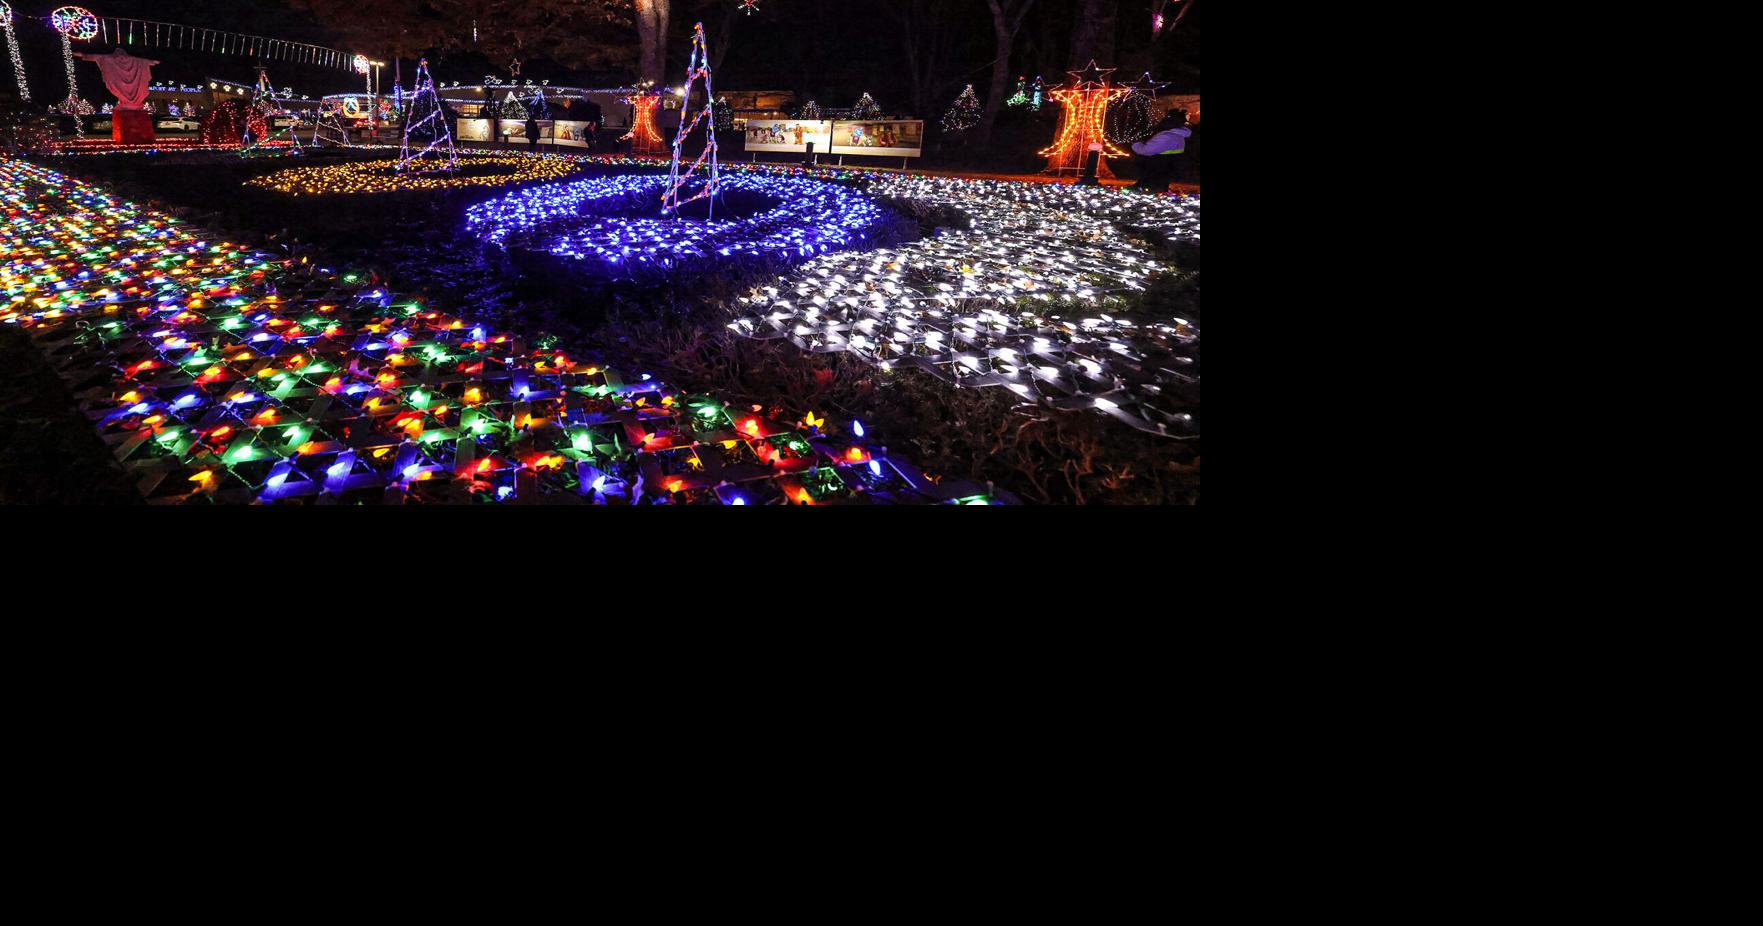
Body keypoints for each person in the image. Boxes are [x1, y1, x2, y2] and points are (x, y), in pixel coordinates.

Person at [1130, 108, 1191, 193]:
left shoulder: (1167, 136)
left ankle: (1143, 188)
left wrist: (1135, 144)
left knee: (1152, 189)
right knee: (1159, 188)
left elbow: (1146, 150)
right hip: (1165, 170)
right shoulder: (1178, 136)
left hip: (1156, 170)